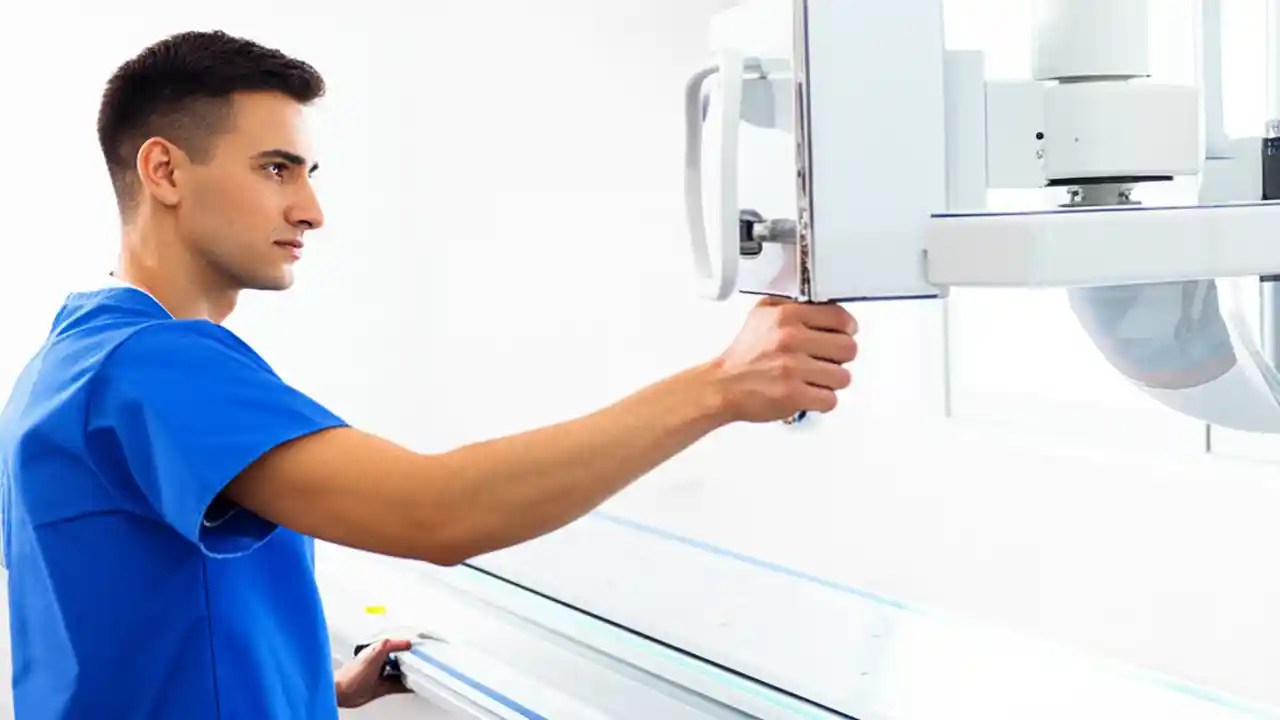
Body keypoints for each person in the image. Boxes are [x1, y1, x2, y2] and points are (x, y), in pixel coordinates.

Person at [0, 29, 859, 719]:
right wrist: (721, 386)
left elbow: (119, 625)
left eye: (306, 171)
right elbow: (436, 512)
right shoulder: (156, 365)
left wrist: (316, 688)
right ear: (164, 171)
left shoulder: (68, 358)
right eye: (275, 168)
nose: (310, 208)